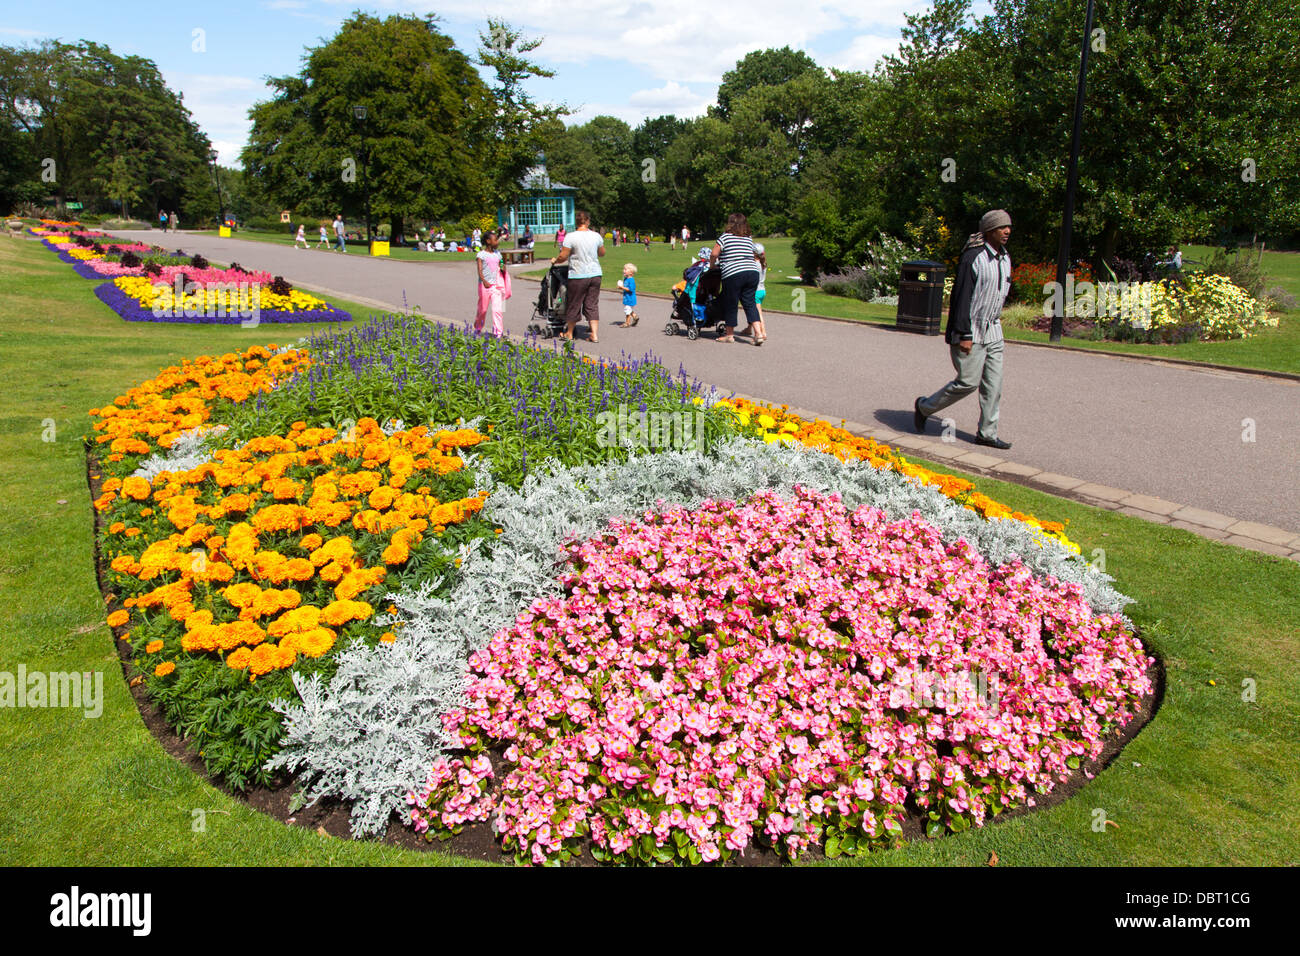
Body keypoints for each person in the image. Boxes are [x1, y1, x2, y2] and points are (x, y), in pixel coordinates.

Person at [914, 209, 1014, 449]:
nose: (1007, 231)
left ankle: (987, 433)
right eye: (1002, 227)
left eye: (1009, 227)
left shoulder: (1005, 258)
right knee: (968, 382)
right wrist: (964, 334)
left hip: (994, 332)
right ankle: (925, 407)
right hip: (971, 331)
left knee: (994, 385)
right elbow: (961, 298)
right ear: (989, 230)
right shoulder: (973, 257)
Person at [551, 210, 605, 343]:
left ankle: (569, 333)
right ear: (588, 221)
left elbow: (563, 256)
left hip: (578, 274)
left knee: (574, 303)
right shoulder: (596, 236)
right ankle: (594, 334)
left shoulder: (571, 237)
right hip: (595, 273)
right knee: (592, 304)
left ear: (577, 222)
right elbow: (602, 253)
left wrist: (555, 261)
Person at [710, 212, 762, 345]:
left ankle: (730, 335)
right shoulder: (748, 237)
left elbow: (714, 253)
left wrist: (711, 265)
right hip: (752, 272)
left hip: (734, 273)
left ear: (730, 223)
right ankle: (758, 333)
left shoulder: (725, 237)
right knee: (750, 303)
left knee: (731, 303)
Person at [474, 230, 511, 337]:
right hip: (484, 286)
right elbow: (480, 270)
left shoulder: (498, 254)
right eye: (495, 240)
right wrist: (484, 280)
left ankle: (498, 334)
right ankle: (477, 328)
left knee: (497, 310)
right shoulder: (481, 255)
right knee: (483, 309)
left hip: (496, 286)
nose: (497, 242)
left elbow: (502, 264)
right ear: (488, 241)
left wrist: (503, 267)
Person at [739, 242, 768, 344]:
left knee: (757, 313)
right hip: (762, 290)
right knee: (753, 311)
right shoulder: (762, 263)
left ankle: (762, 332)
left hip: (755, 291)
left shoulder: (754, 264)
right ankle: (749, 328)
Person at [616, 263, 639, 327]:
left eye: (625, 269)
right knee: (628, 309)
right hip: (626, 298)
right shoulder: (626, 279)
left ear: (631, 272)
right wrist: (621, 286)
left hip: (630, 298)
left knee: (627, 310)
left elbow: (630, 289)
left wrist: (622, 287)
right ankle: (635, 316)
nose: (623, 270)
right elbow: (625, 287)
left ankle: (627, 323)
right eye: (623, 269)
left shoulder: (631, 280)